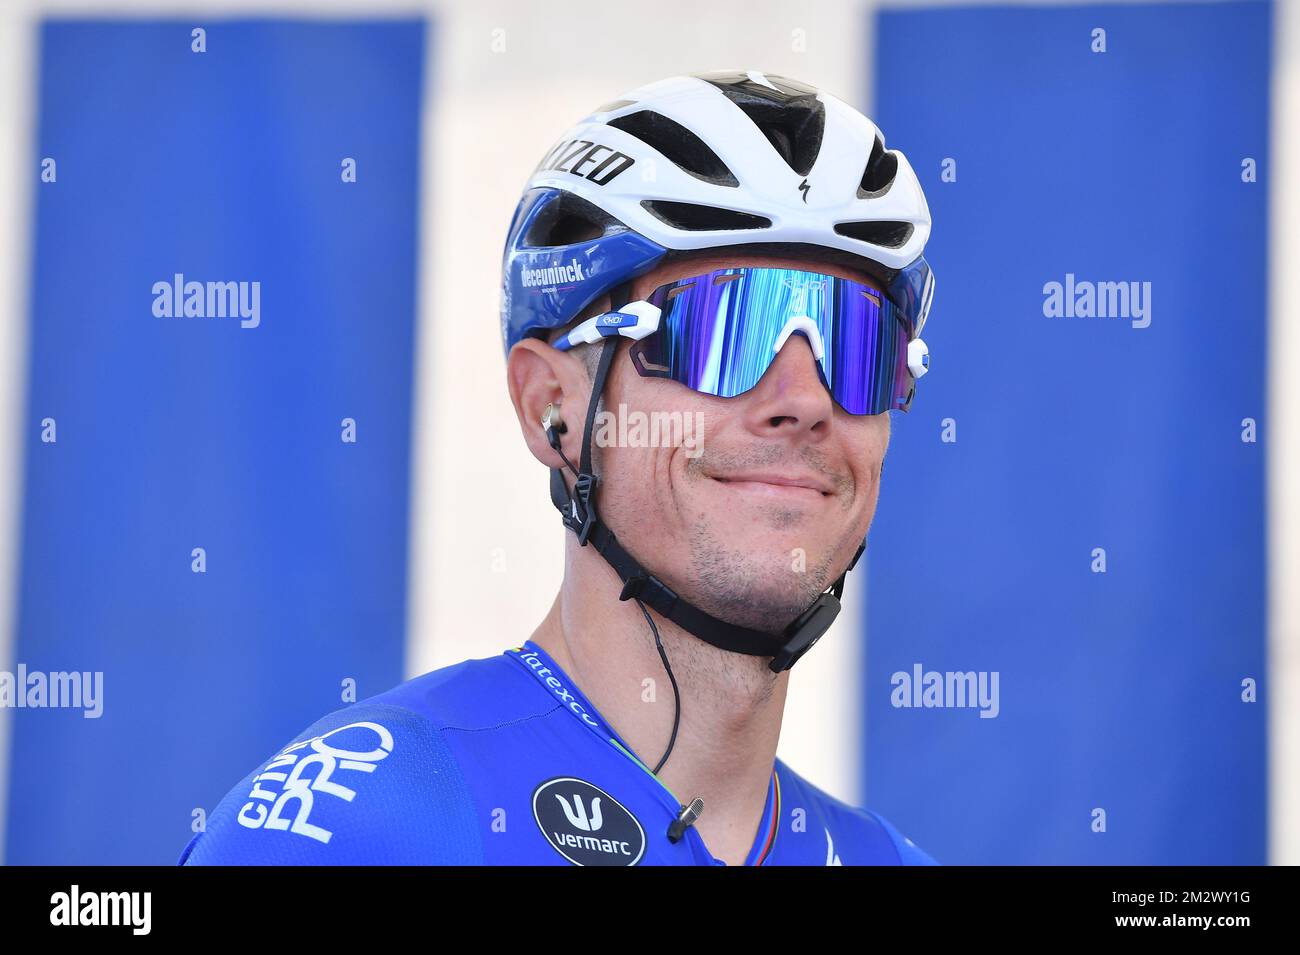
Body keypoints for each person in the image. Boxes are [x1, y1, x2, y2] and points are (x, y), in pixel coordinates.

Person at [179, 70, 937, 866]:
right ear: (553, 405)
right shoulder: (361, 827)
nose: (805, 400)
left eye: (858, 344)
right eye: (725, 328)